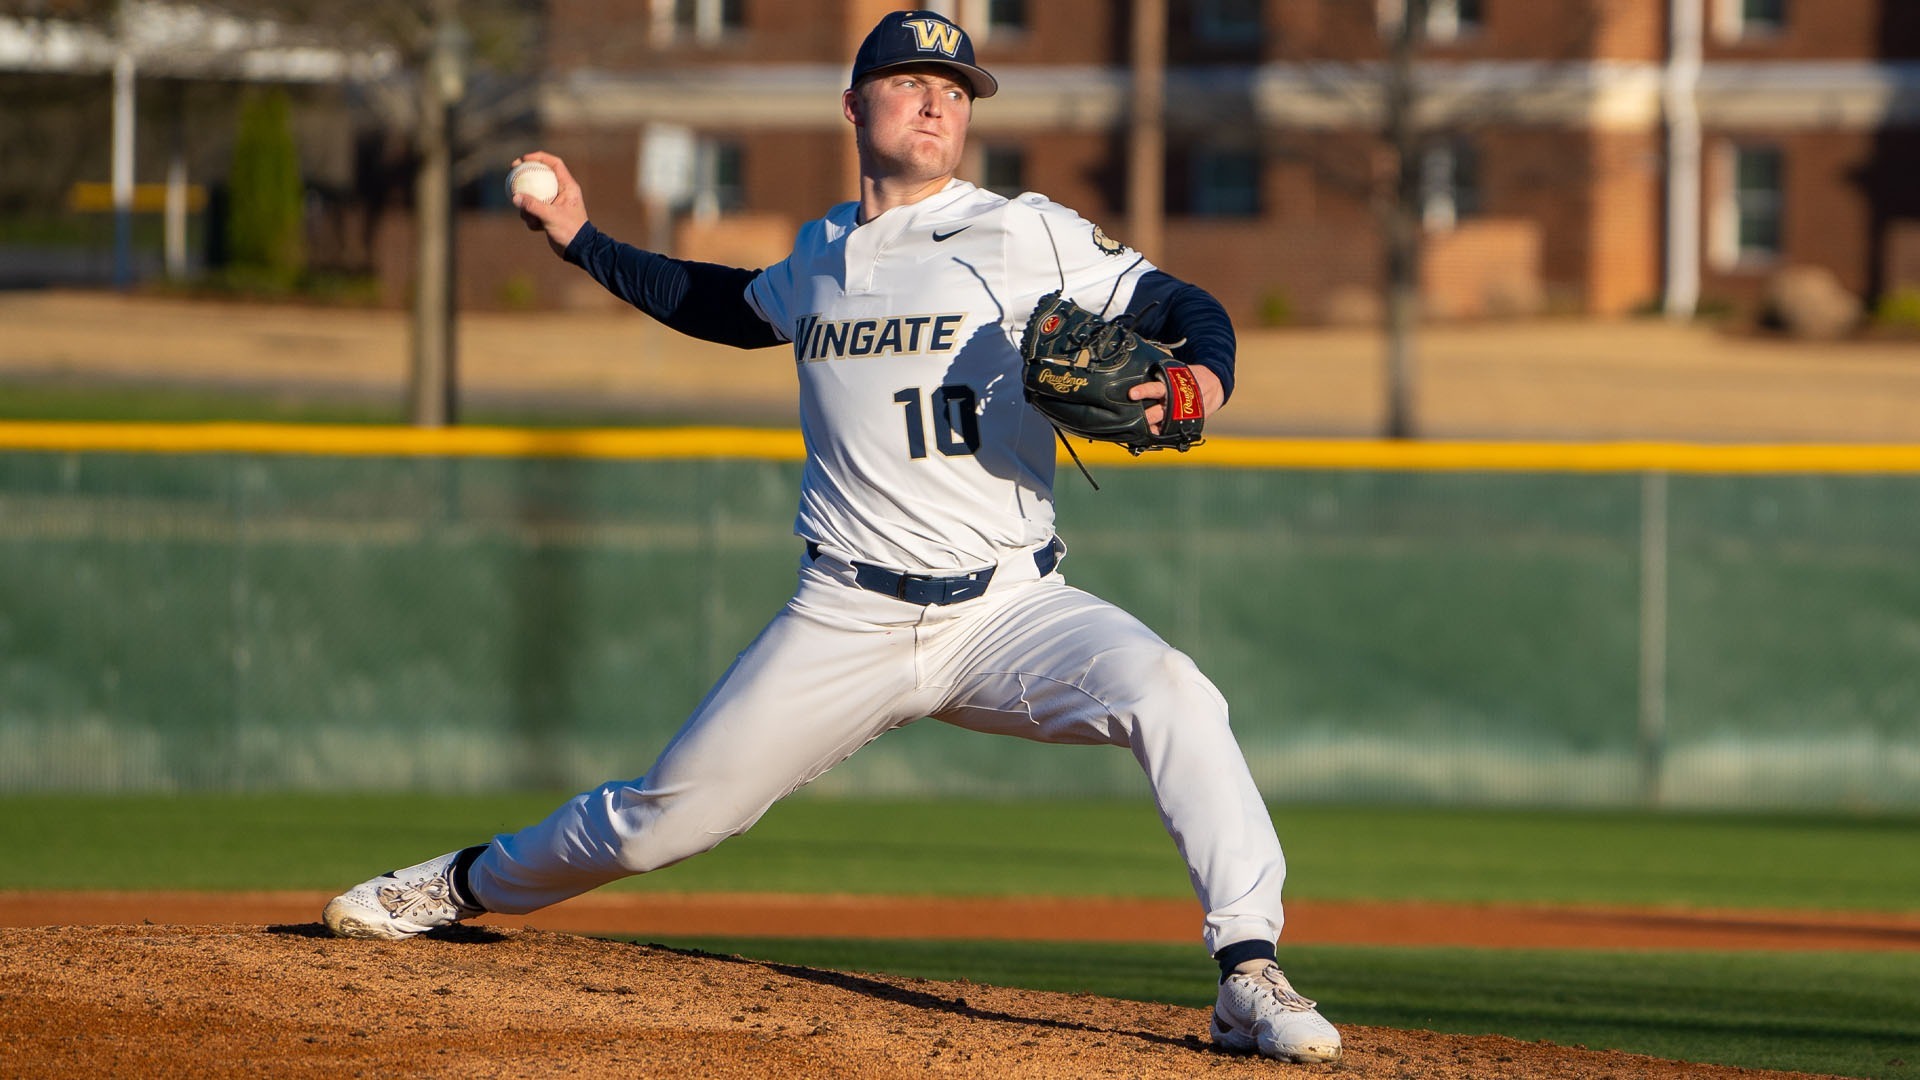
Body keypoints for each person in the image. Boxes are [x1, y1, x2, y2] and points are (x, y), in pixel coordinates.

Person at [321, 8, 1339, 1064]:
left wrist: (1203, 378)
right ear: (854, 107)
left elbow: (1182, 303)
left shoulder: (1024, 231)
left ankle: (1248, 970)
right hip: (848, 612)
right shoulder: (820, 253)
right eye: (911, 84)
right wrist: (581, 238)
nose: (938, 103)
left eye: (956, 91)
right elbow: (719, 304)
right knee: (664, 821)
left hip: (1011, 608)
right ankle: (457, 882)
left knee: (1174, 690)